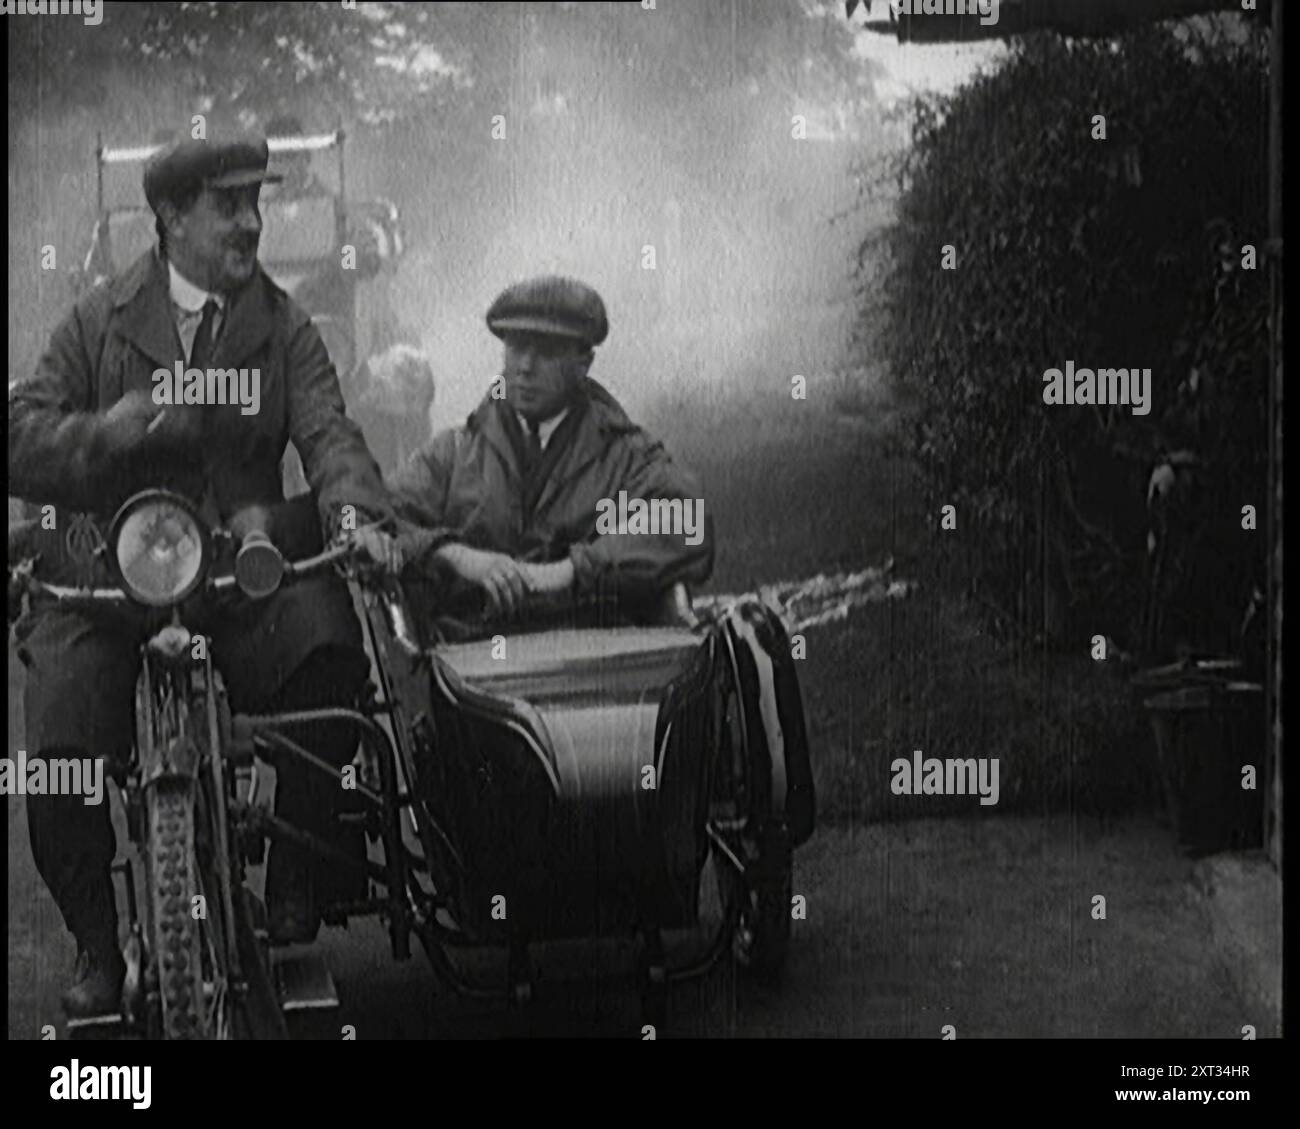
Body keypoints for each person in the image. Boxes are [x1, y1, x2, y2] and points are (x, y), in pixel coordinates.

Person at [8, 132, 401, 1017]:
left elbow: (331, 436)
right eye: (228, 205)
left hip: (236, 575)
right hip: (111, 581)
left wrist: (355, 520)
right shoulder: (97, 319)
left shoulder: (285, 326)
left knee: (329, 656)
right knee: (60, 748)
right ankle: (96, 940)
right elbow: (21, 428)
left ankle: (295, 863)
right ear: (171, 217)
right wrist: (104, 434)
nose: (251, 222)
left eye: (255, 203)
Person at [388, 275, 713, 637]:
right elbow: (376, 518)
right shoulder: (455, 453)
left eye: (545, 351)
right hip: (464, 663)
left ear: (583, 363)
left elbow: (688, 523)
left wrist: (570, 571)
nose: (525, 367)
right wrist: (456, 555)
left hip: (591, 660)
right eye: (516, 348)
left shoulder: (625, 458)